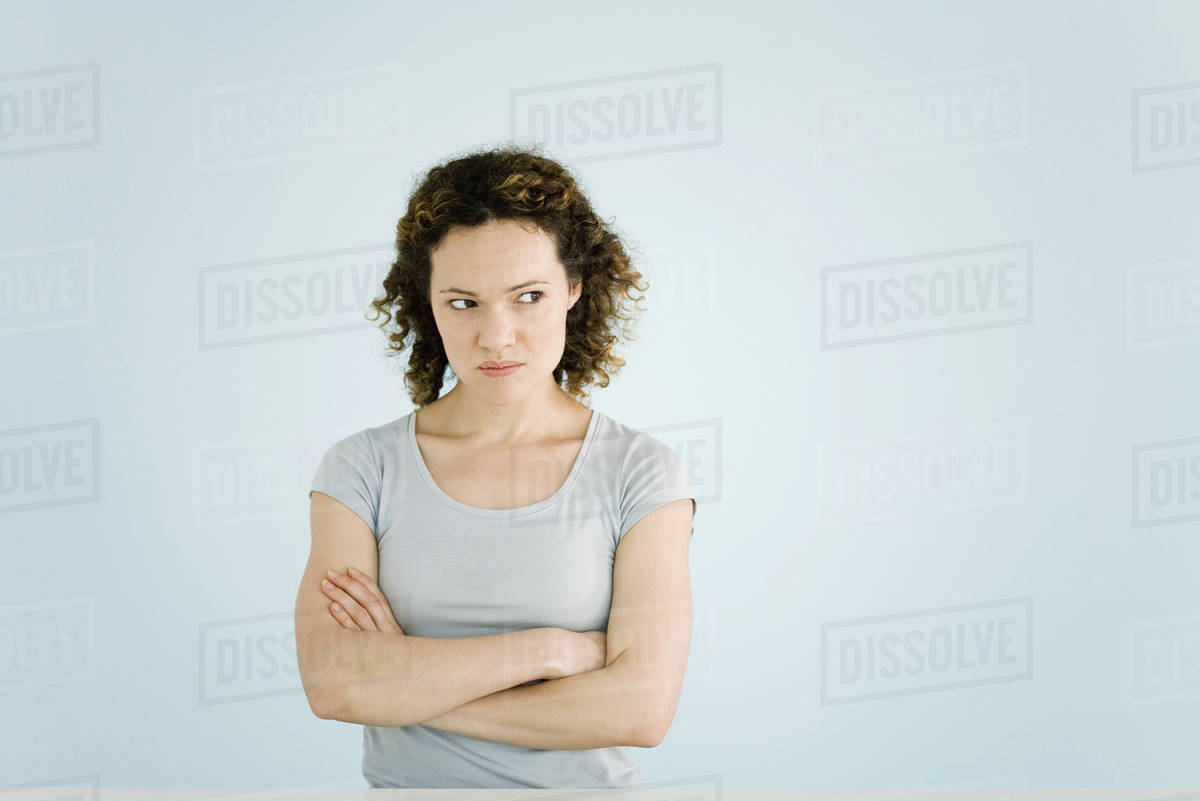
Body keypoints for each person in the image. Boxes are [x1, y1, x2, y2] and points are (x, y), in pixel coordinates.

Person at [295, 143, 697, 788]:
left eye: (528, 296)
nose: (496, 336)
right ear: (427, 301)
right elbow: (335, 688)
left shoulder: (641, 472)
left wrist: (403, 685)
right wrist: (549, 650)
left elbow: (642, 711)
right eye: (463, 302)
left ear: (573, 287)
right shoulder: (361, 469)